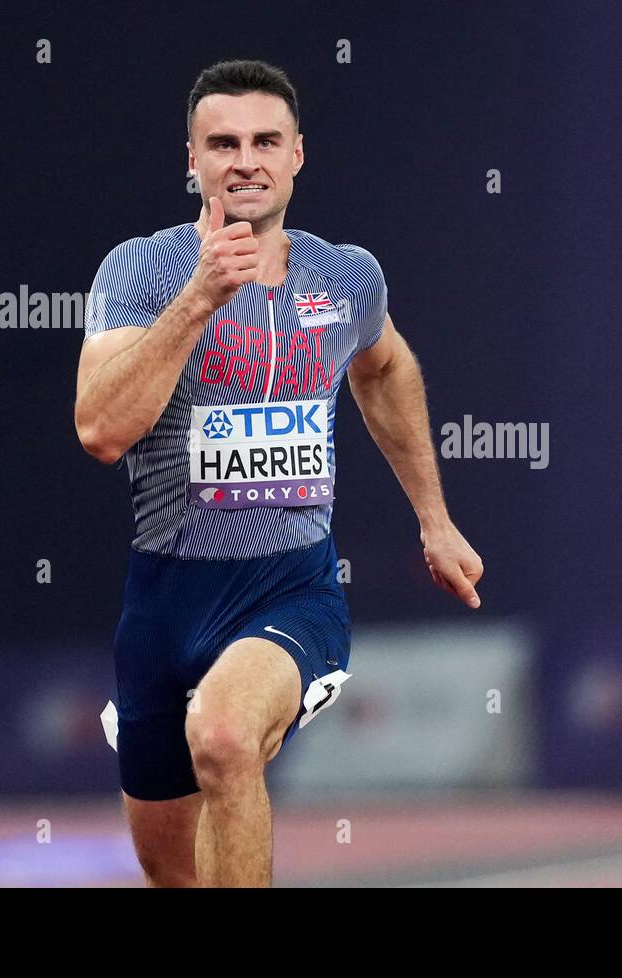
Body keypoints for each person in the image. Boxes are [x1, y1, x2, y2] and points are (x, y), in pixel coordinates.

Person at [74, 59, 483, 887]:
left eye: (266, 141)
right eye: (222, 144)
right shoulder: (141, 272)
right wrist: (199, 298)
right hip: (164, 602)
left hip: (290, 588)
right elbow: (100, 431)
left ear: (299, 155)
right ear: (191, 160)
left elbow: (384, 368)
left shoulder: (346, 277)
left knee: (224, 737)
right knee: (172, 870)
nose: (246, 160)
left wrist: (434, 520)